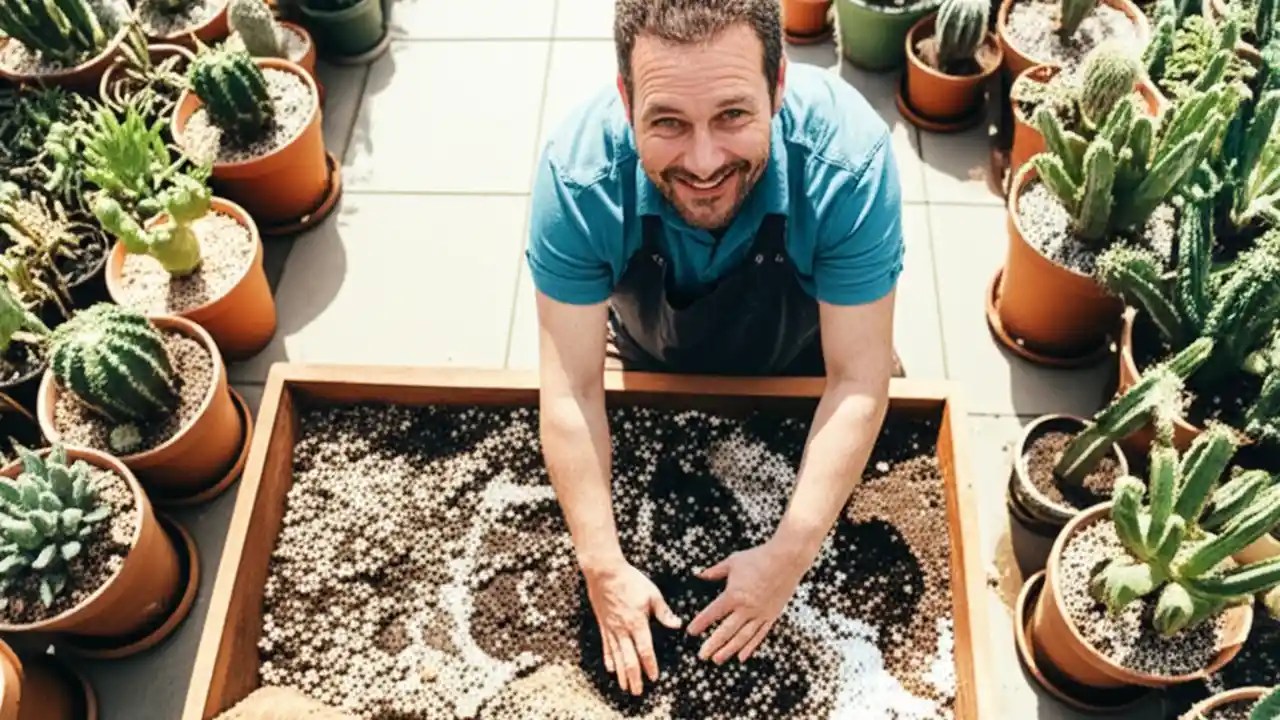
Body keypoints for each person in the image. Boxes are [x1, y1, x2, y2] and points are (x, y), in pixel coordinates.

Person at [526, 0, 905, 698]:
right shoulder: (578, 180)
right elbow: (573, 389)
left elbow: (856, 380)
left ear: (779, 86)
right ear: (625, 98)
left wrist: (788, 557)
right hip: (644, 355)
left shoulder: (849, 164)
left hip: (808, 360)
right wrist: (603, 564)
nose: (703, 162)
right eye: (668, 122)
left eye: (733, 116)